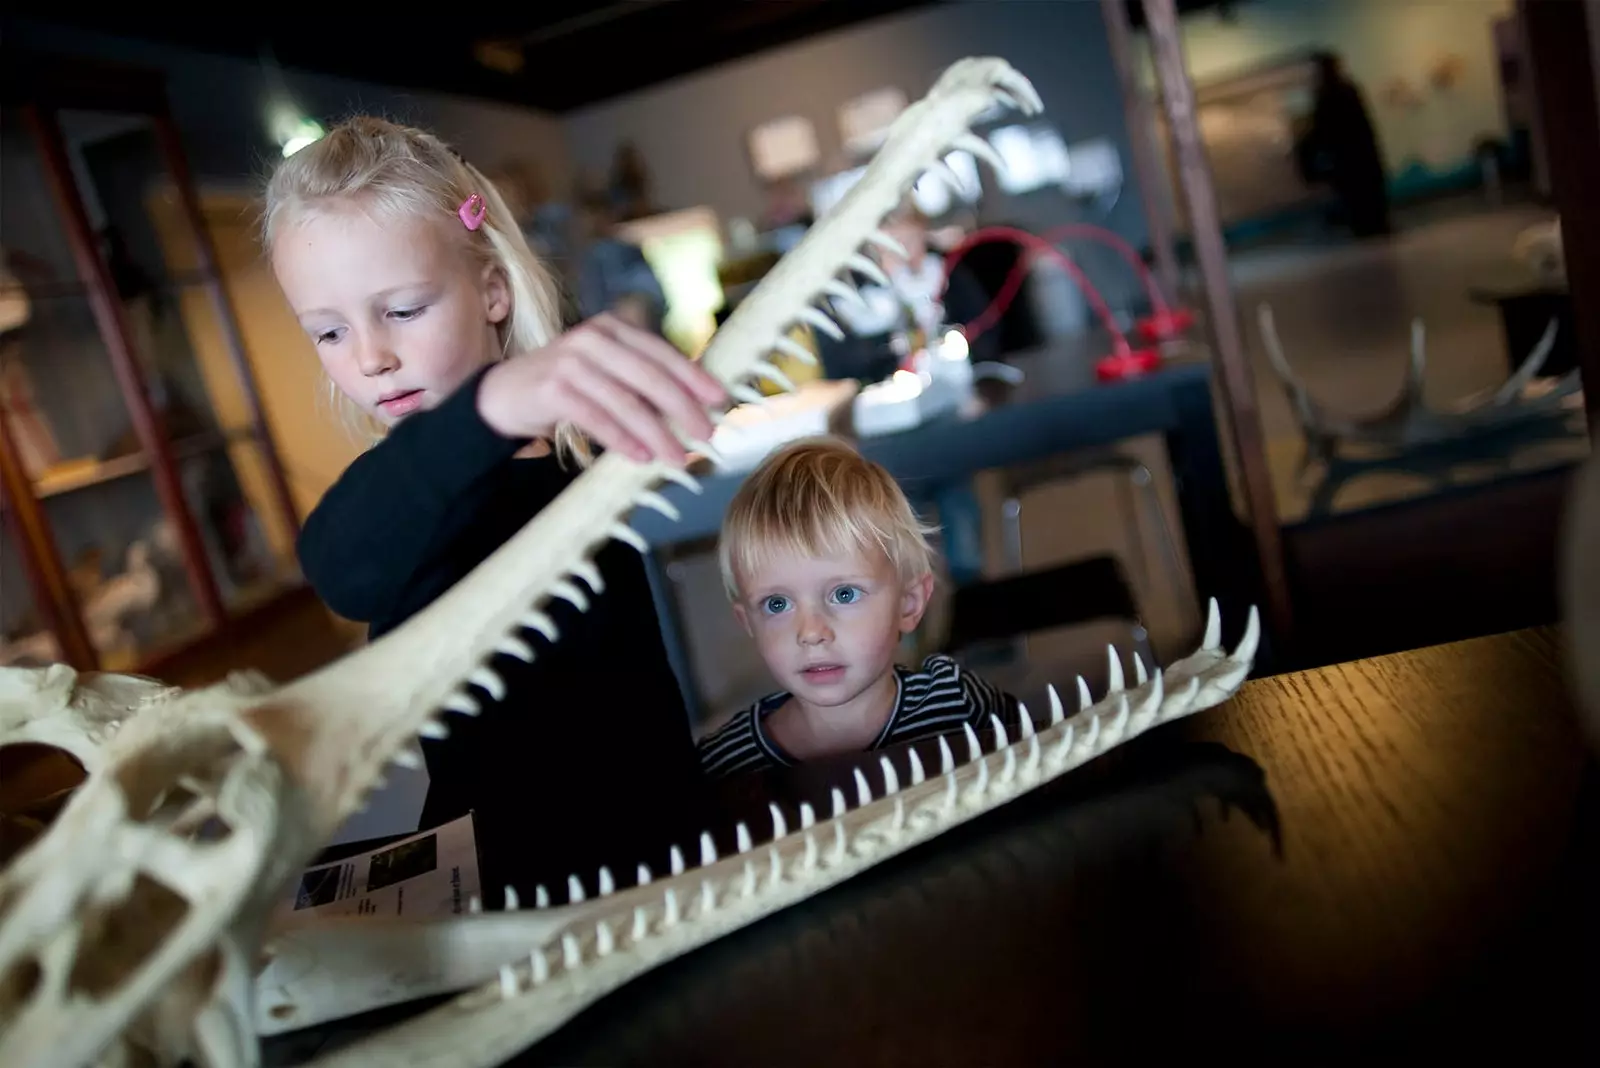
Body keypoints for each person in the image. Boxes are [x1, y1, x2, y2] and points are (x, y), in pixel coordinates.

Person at [263, 116, 727, 903]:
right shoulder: (406, 502)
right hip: (518, 882)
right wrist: (491, 404)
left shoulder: (574, 460)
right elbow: (338, 564)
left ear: (492, 290)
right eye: (330, 332)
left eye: (402, 310)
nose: (371, 356)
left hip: (659, 855)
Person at [697, 437, 1019, 780]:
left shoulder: (957, 704)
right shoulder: (725, 764)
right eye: (777, 604)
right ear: (748, 622)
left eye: (844, 594)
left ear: (908, 605)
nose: (810, 632)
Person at [1296, 51, 1392, 239]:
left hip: (1344, 160)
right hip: (1361, 156)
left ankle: (1366, 228)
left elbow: (1321, 132)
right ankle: (1376, 226)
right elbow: (1364, 125)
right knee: (1369, 196)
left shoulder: (1324, 96)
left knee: (1356, 199)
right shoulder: (1347, 90)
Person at [576, 185, 669, 335]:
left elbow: (639, 303)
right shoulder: (591, 256)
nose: (588, 223)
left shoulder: (614, 252)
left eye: (593, 215)